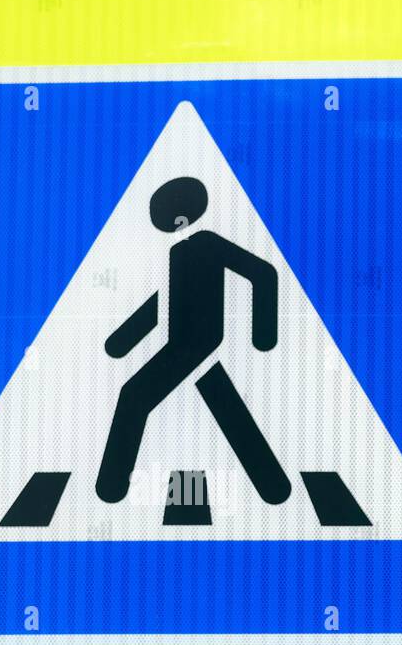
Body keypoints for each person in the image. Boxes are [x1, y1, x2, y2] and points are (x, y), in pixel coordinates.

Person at [96, 176, 292, 505]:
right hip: (186, 342)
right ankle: (274, 487)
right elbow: (164, 303)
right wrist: (122, 340)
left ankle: (111, 487)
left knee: (134, 396)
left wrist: (264, 336)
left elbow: (263, 273)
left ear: (181, 215)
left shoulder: (207, 243)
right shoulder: (180, 251)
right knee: (223, 401)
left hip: (199, 341)